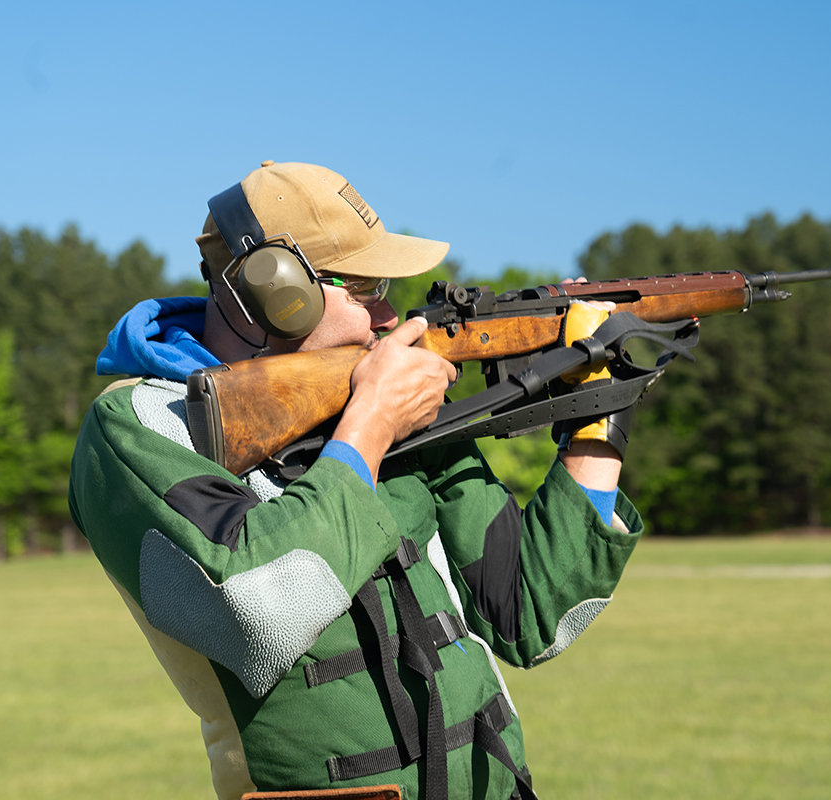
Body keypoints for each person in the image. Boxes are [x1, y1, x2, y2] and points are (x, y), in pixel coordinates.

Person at [68, 161, 645, 800]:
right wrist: (371, 425)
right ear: (277, 291)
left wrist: (599, 410)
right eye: (365, 287)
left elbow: (531, 614)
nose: (389, 315)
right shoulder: (142, 423)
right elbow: (259, 614)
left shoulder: (378, 397)